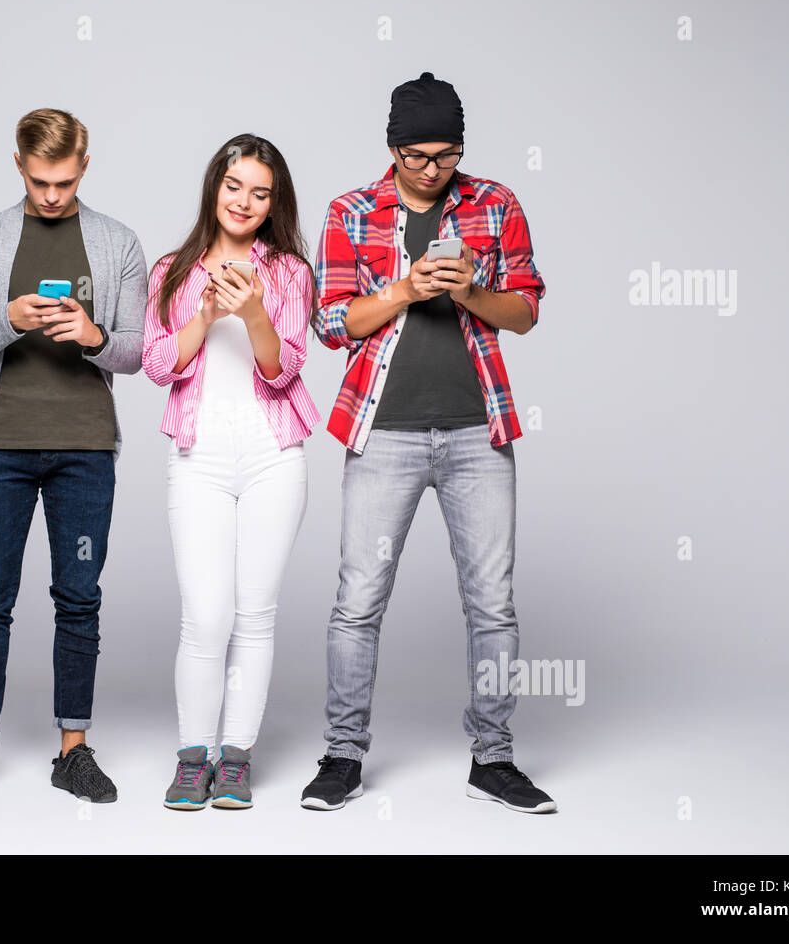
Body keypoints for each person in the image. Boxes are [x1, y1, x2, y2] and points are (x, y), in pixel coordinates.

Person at [302, 71, 556, 813]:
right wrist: (408, 290)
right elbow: (330, 324)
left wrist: (469, 290)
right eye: (416, 155)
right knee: (358, 601)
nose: (431, 169)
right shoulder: (352, 211)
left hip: (481, 430)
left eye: (444, 154)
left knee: (493, 604)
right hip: (383, 432)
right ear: (392, 148)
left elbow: (526, 313)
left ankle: (495, 759)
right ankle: (343, 756)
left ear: (460, 149)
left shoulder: (495, 203)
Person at [0, 108, 147, 805]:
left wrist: (89, 333)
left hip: (85, 449)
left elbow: (138, 354)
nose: (51, 194)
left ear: (84, 165)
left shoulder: (118, 244)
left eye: (62, 180)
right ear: (18, 165)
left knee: (78, 599)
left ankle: (73, 749)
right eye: (37, 180)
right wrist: (10, 320)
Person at [143, 135, 320, 811]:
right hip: (200, 459)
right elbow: (159, 365)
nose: (244, 201)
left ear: (275, 202)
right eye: (233, 185)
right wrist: (208, 313)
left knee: (254, 612)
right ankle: (195, 756)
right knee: (205, 614)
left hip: (273, 456)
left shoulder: (291, 273)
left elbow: (284, 369)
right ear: (214, 187)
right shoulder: (172, 269)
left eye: (260, 191)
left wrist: (253, 315)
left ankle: (236, 756)